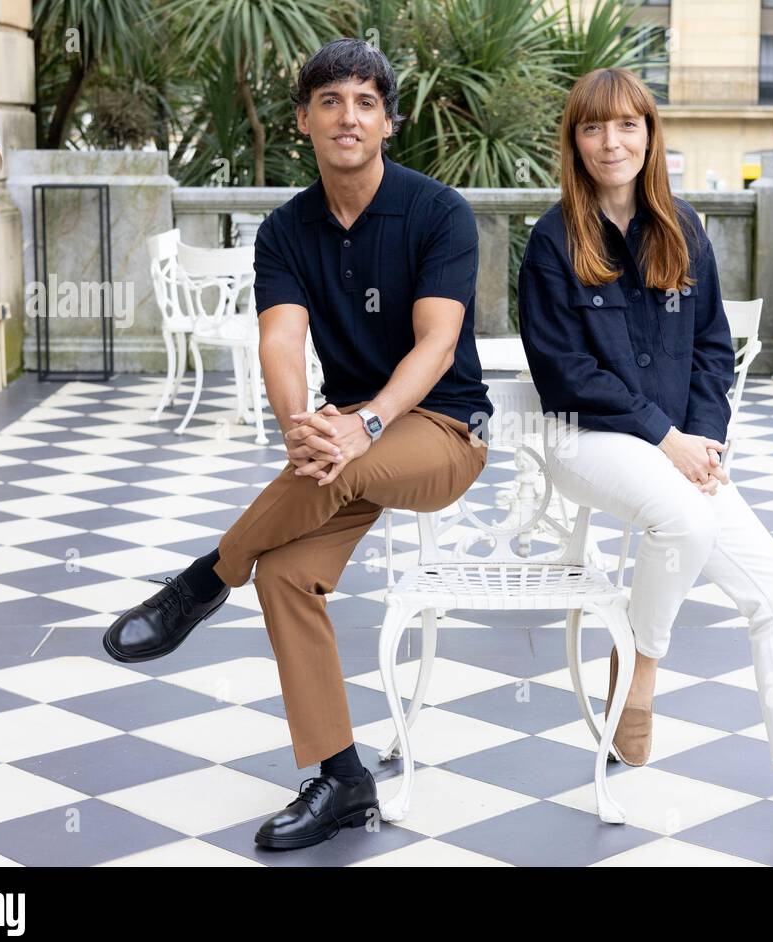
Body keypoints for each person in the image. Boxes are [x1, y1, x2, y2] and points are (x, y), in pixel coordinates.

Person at [102, 38, 491, 850]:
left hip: (446, 430)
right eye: (329, 102)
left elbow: (438, 346)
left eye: (364, 102)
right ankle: (341, 778)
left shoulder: (436, 212)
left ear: (388, 121)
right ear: (302, 121)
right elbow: (281, 342)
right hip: (342, 444)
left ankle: (204, 580)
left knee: (336, 469)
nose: (347, 117)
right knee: (285, 573)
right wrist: (297, 425)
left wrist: (366, 421)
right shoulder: (285, 230)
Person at [516, 67, 773, 840]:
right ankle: (641, 668)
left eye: (628, 125)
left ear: (650, 134)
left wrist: (703, 440)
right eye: (594, 127)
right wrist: (668, 439)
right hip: (586, 439)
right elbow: (566, 373)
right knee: (685, 523)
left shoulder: (684, 228)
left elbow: (711, 349)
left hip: (676, 450)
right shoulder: (551, 241)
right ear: (574, 141)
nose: (613, 141)